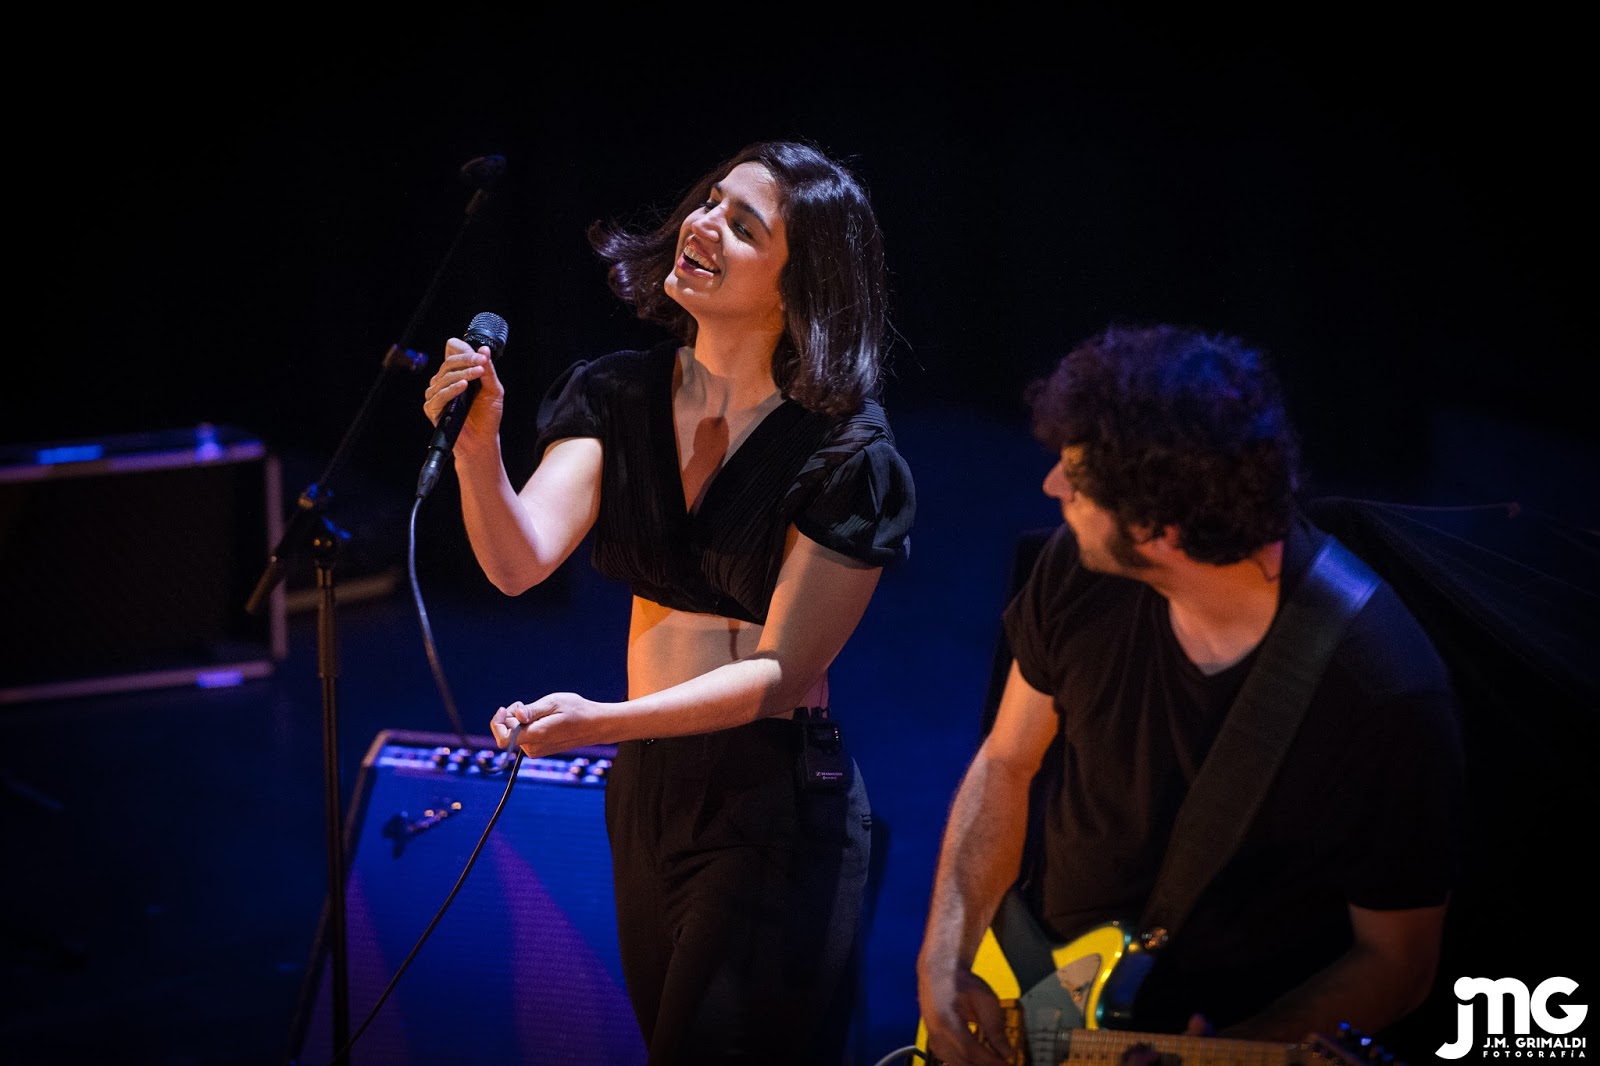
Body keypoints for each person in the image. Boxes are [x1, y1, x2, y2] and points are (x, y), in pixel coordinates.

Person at [422, 139, 914, 1064]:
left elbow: (777, 676)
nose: (701, 225)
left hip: (768, 798)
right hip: (646, 791)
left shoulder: (846, 454)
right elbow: (518, 561)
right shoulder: (618, 394)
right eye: (709, 201)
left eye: (743, 225)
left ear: (797, 283)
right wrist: (477, 447)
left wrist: (606, 720)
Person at [914, 324, 1466, 1065]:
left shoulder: (1383, 693)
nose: (1050, 488)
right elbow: (1008, 762)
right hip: (1034, 975)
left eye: (1075, 482)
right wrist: (946, 954)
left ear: (1155, 529)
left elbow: (1399, 961)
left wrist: (1237, 1051)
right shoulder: (1075, 571)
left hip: (1211, 1026)